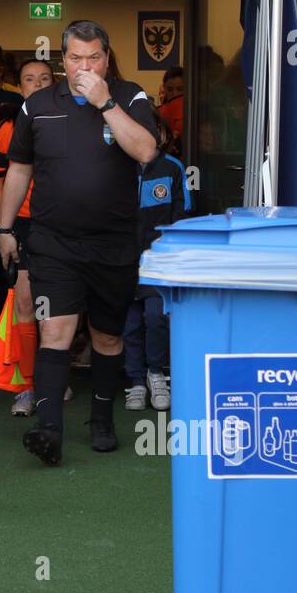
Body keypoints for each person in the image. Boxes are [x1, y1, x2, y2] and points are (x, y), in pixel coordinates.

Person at [0, 20, 157, 464]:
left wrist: (105, 103)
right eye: (75, 58)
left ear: (107, 57)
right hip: (53, 243)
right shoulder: (38, 105)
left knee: (107, 337)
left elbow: (145, 151)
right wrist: (5, 228)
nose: (85, 66)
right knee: (55, 331)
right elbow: (20, 170)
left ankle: (101, 420)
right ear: (62, 60)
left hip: (114, 244)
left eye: (94, 57)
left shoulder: (131, 96)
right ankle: (48, 429)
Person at [0, 58, 53, 416]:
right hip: (23, 224)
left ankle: (54, 379)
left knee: (56, 308)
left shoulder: (68, 121)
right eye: (29, 79)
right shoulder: (9, 126)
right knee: (26, 304)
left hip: (61, 224)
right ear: (20, 86)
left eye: (45, 79)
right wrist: (4, 228)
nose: (37, 85)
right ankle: (28, 386)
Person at [123, 106, 191, 412]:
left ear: (161, 133)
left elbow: (181, 218)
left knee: (155, 317)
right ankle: (135, 381)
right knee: (129, 323)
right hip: (120, 260)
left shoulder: (172, 168)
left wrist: (169, 256)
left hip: (157, 262)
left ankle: (157, 374)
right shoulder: (115, 166)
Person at [157, 65, 184, 141]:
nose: (175, 93)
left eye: (180, 89)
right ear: (164, 88)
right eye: (170, 89)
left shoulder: (195, 113)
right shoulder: (158, 113)